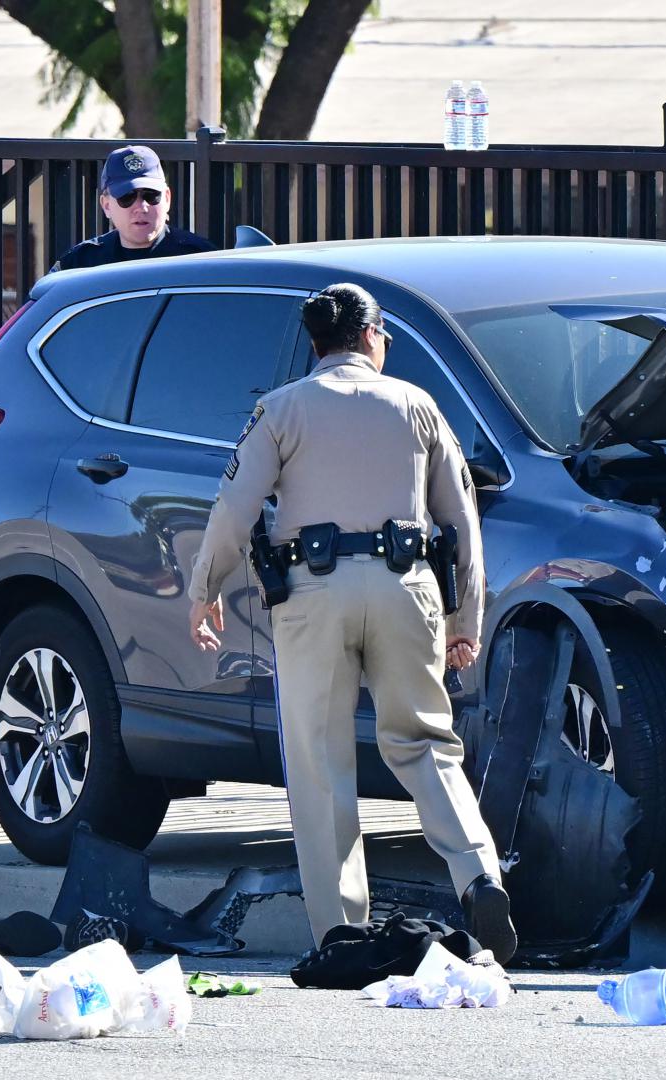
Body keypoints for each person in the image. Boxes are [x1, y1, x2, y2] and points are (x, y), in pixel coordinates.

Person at [183, 283, 516, 961]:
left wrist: (205, 589)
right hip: (408, 591)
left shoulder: (279, 410)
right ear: (372, 337)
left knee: (319, 761)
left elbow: (234, 509)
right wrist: (464, 618)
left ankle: (340, 929)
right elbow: (462, 522)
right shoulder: (418, 406)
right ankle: (478, 874)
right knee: (424, 745)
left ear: (316, 343)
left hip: (314, 596)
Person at [49, 145, 215, 272]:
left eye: (151, 195)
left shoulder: (199, 259)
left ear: (166, 199)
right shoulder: (81, 264)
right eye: (126, 197)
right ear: (106, 205)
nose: (141, 207)